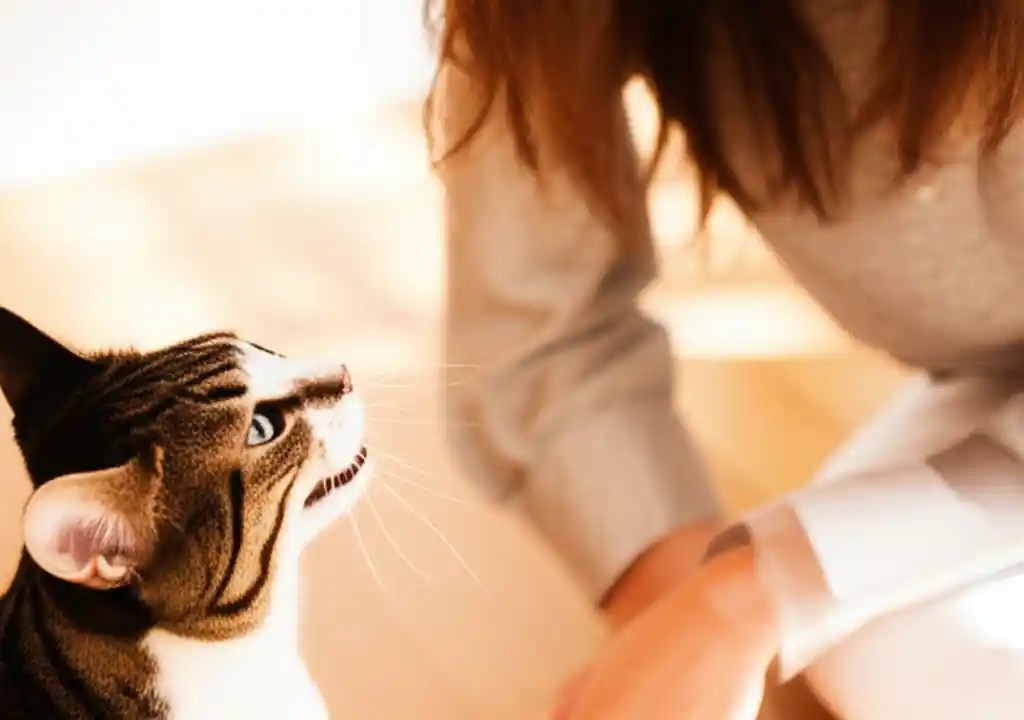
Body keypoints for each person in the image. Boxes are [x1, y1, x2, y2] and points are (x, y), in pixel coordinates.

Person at [424, 1, 1024, 718]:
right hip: (996, 383)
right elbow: (542, 338)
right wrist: (685, 619)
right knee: (892, 667)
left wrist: (762, 584)